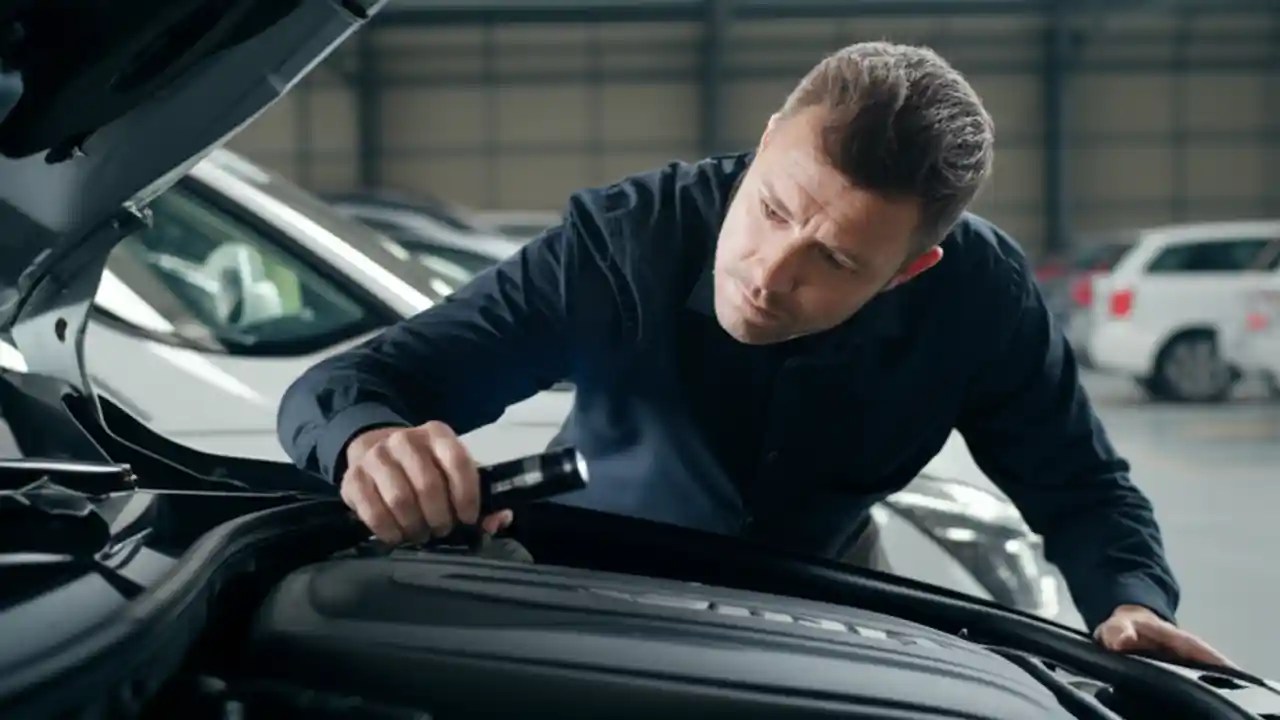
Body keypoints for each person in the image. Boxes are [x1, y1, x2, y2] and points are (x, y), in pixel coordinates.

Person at [277, 42, 1231, 667]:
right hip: (589, 590)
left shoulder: (980, 300)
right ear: (768, 140)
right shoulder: (621, 246)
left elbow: (1083, 487)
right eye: (773, 208)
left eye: (838, 258)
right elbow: (351, 385)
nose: (770, 274)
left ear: (912, 267)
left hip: (820, 596)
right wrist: (371, 443)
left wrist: (1129, 602)